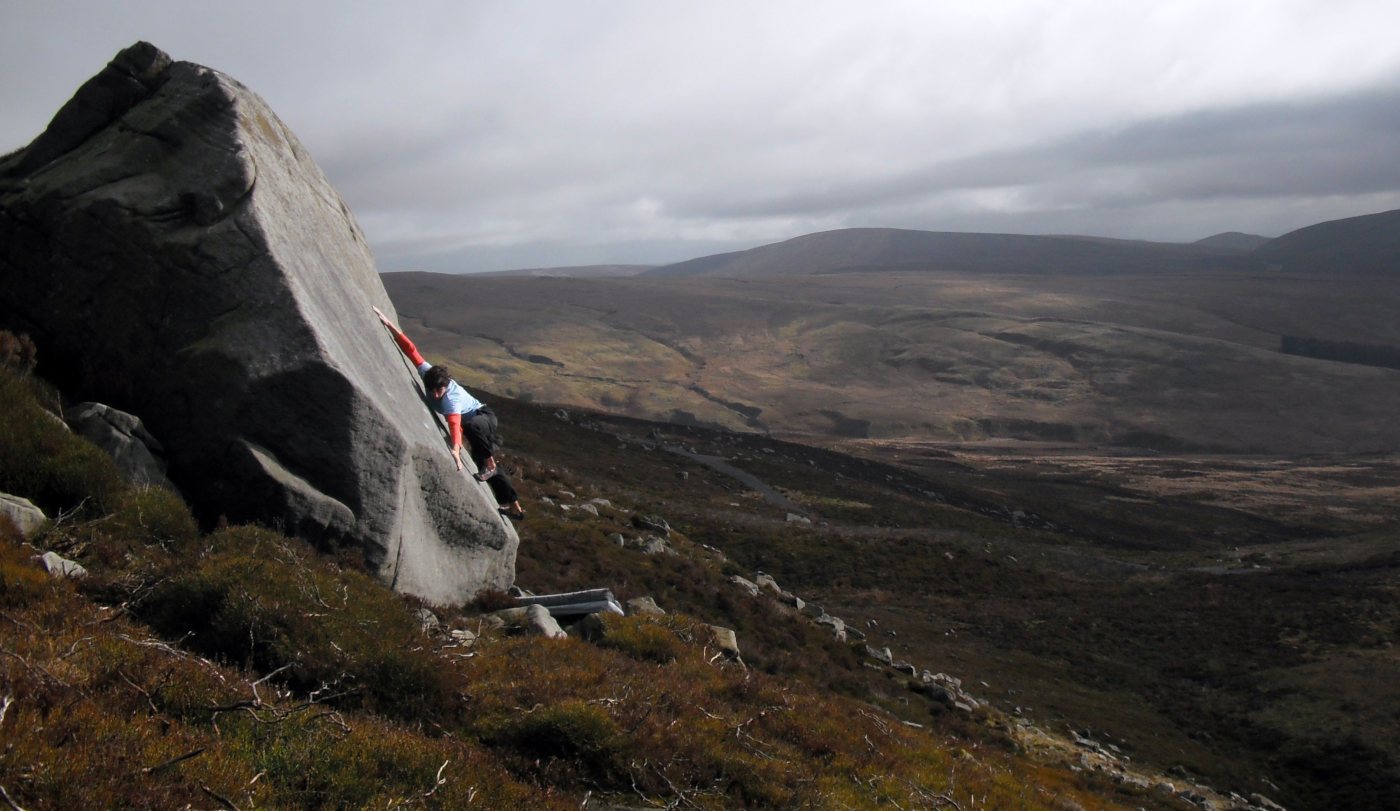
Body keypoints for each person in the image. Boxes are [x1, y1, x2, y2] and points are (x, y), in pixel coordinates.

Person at [374, 307, 524, 519]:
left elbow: (454, 423)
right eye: (432, 390)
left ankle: (489, 463)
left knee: (478, 444)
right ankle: (515, 507)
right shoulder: (429, 374)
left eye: (439, 391)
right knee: (487, 473)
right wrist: (389, 325)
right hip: (475, 430)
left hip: (483, 419)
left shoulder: (451, 398)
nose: (435, 395)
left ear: (445, 386)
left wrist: (455, 448)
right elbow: (411, 350)